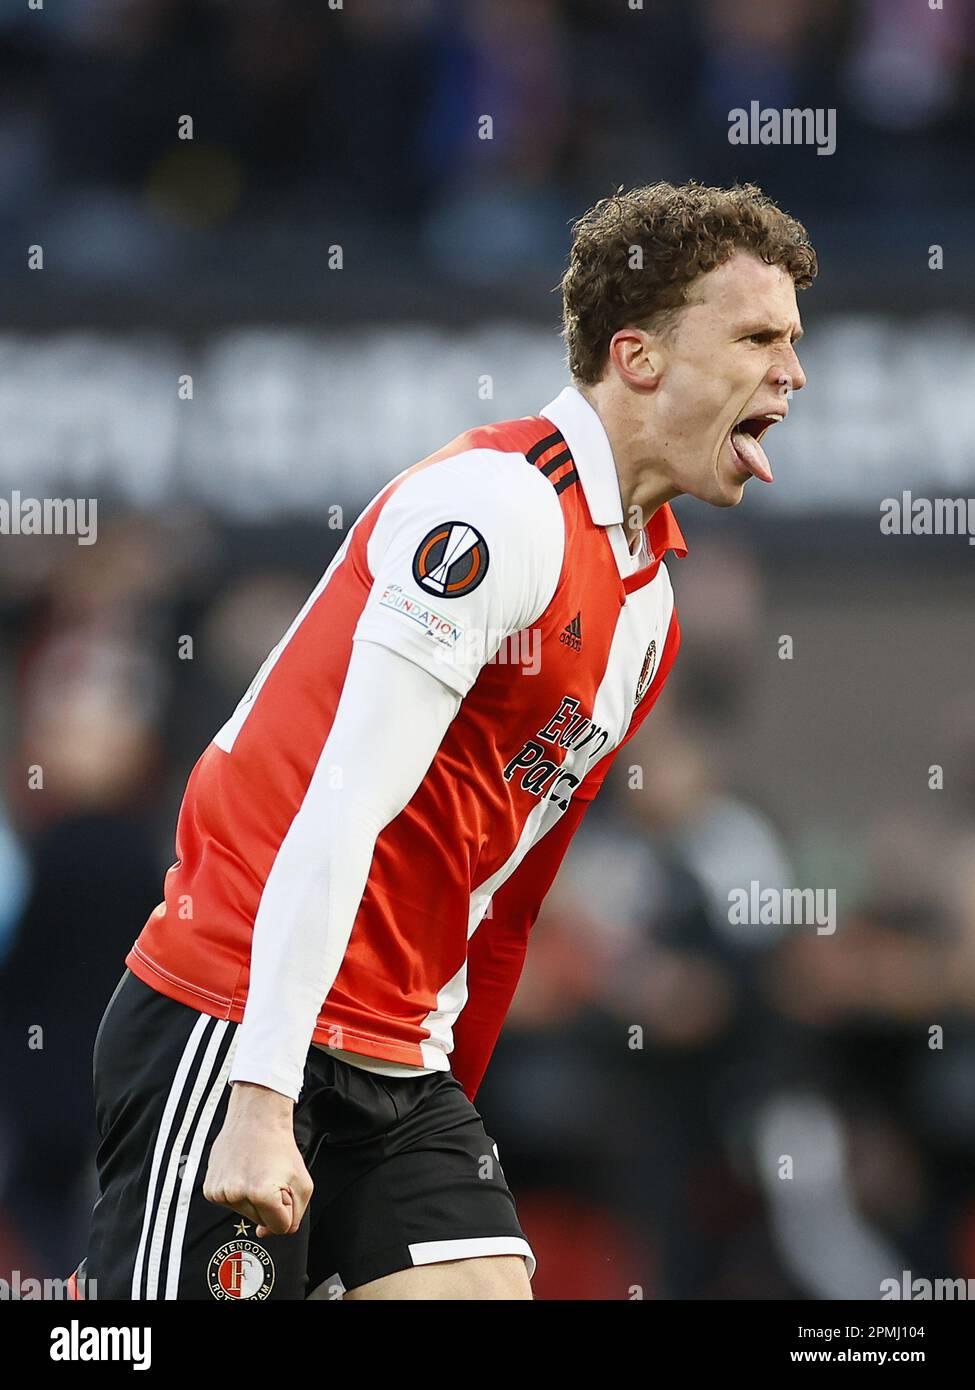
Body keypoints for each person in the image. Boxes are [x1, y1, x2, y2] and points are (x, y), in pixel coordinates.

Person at [80, 180, 814, 1301]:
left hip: (396, 1062)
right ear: (640, 356)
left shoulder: (648, 603)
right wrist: (264, 1098)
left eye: (794, 342)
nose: (792, 373)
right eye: (758, 336)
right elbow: (340, 806)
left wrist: (446, 1103)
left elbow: (503, 901)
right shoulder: (495, 510)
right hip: (236, 1018)